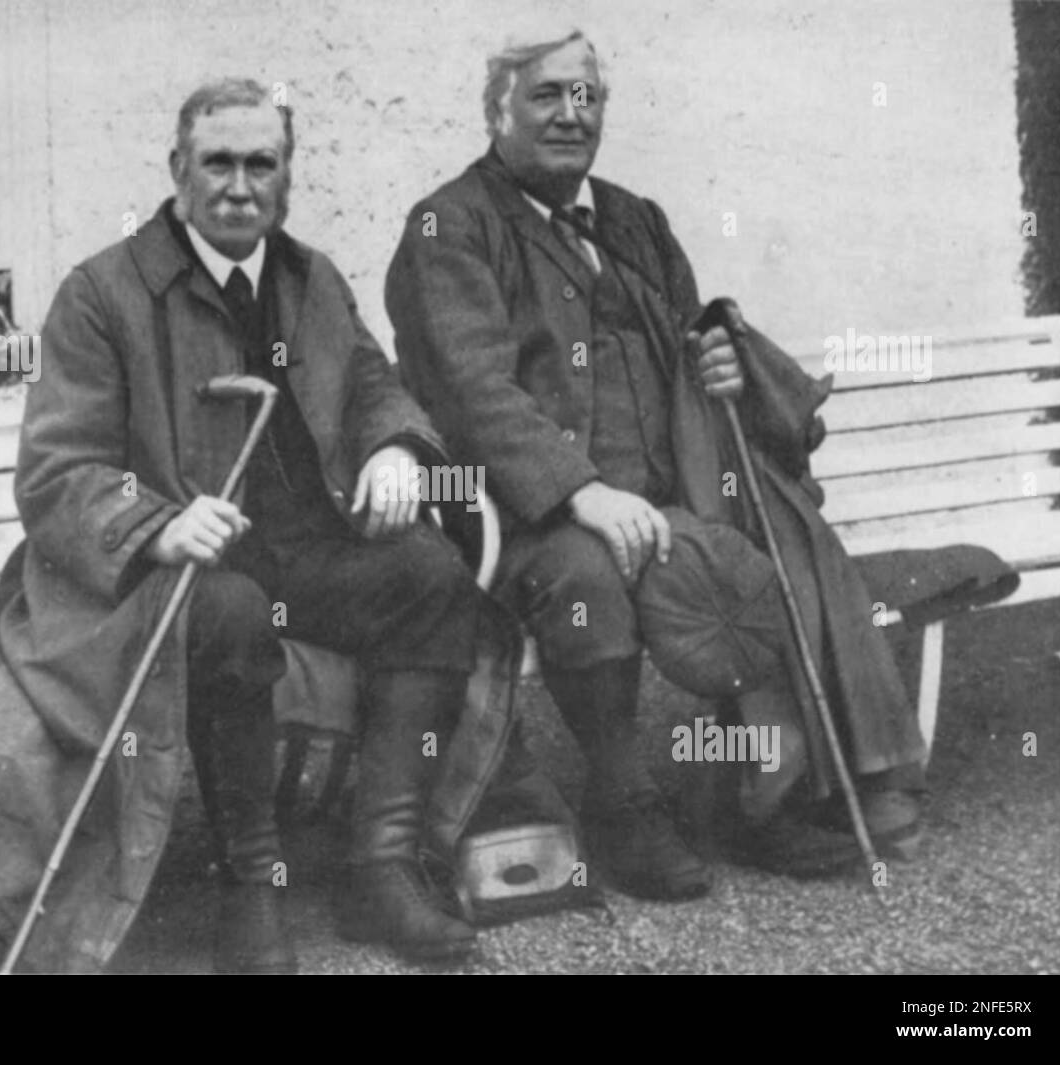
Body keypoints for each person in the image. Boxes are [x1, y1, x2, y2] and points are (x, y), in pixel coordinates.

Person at [385, 29, 927, 897]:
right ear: (499, 111)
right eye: (548, 95)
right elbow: (469, 392)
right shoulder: (451, 225)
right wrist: (582, 492)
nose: (572, 114)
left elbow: (682, 345)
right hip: (521, 513)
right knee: (587, 576)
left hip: (667, 485)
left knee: (781, 541)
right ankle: (620, 800)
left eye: (587, 96)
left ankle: (759, 789)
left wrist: (720, 367)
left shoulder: (637, 219)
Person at [0, 78, 481, 971]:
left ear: (288, 176)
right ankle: (252, 879)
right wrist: (155, 526)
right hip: (163, 573)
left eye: (262, 163)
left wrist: (394, 449)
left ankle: (380, 864)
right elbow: (55, 471)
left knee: (432, 579)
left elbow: (374, 384)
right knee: (227, 610)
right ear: (177, 169)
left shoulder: (309, 278)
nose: (239, 185)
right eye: (217, 162)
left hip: (304, 546)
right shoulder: (105, 293)